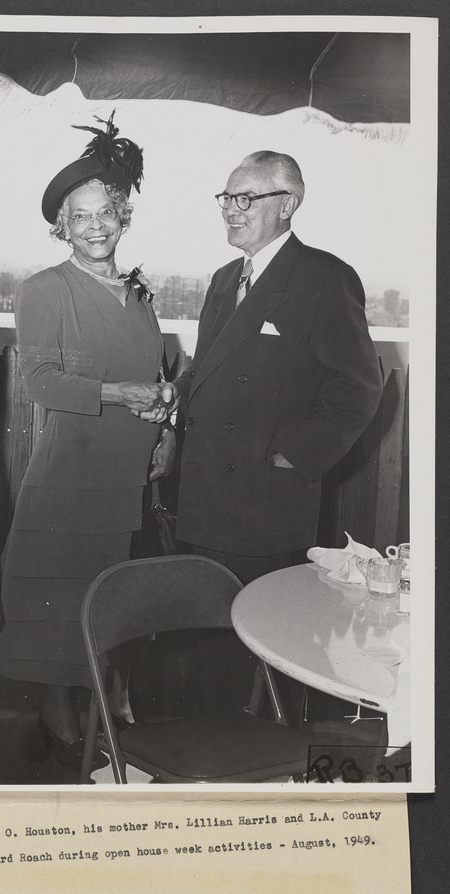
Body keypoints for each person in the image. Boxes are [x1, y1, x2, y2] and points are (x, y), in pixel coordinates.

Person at [0, 114, 176, 771]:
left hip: (132, 482)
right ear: (61, 226)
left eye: (107, 214)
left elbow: (152, 377)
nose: (95, 227)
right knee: (65, 613)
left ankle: (109, 716)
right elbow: (40, 381)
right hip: (71, 482)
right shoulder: (45, 290)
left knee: (112, 609)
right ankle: (66, 729)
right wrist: (121, 394)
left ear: (124, 219)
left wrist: (163, 413)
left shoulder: (141, 294)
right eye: (81, 217)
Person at [173, 150, 383, 712]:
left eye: (246, 199)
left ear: (287, 204)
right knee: (211, 645)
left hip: (266, 501)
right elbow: (210, 368)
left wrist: (294, 456)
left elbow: (358, 387)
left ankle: (265, 766)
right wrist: (174, 395)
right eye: (227, 198)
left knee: (269, 650)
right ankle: (210, 762)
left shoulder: (324, 277)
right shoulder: (223, 280)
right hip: (206, 497)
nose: (231, 211)